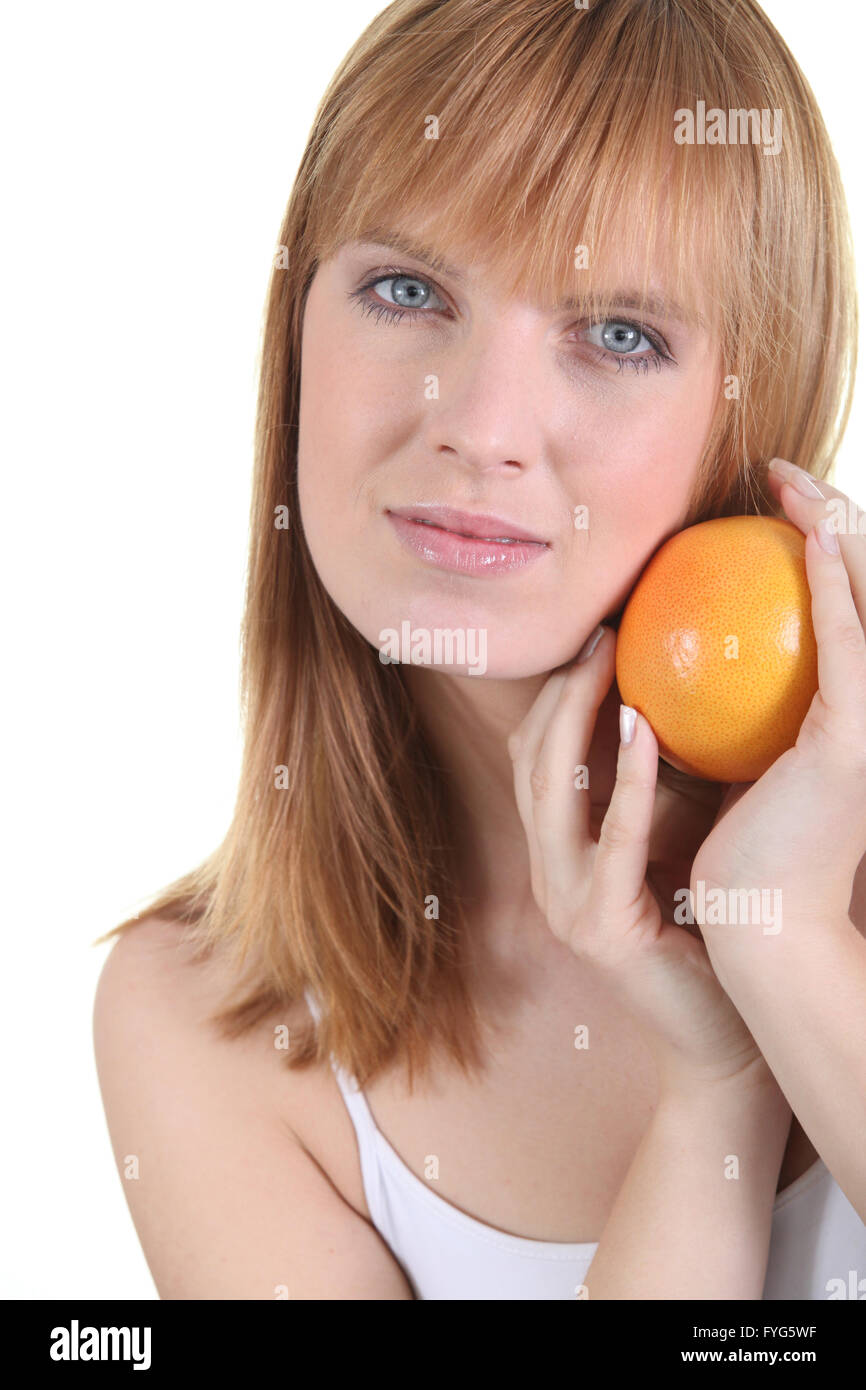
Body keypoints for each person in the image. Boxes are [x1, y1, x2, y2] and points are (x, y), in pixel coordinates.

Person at [93, 0, 866, 1300]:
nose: (483, 426)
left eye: (618, 334)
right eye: (408, 289)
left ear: (754, 412)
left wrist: (784, 945)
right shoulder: (205, 1018)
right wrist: (715, 1090)